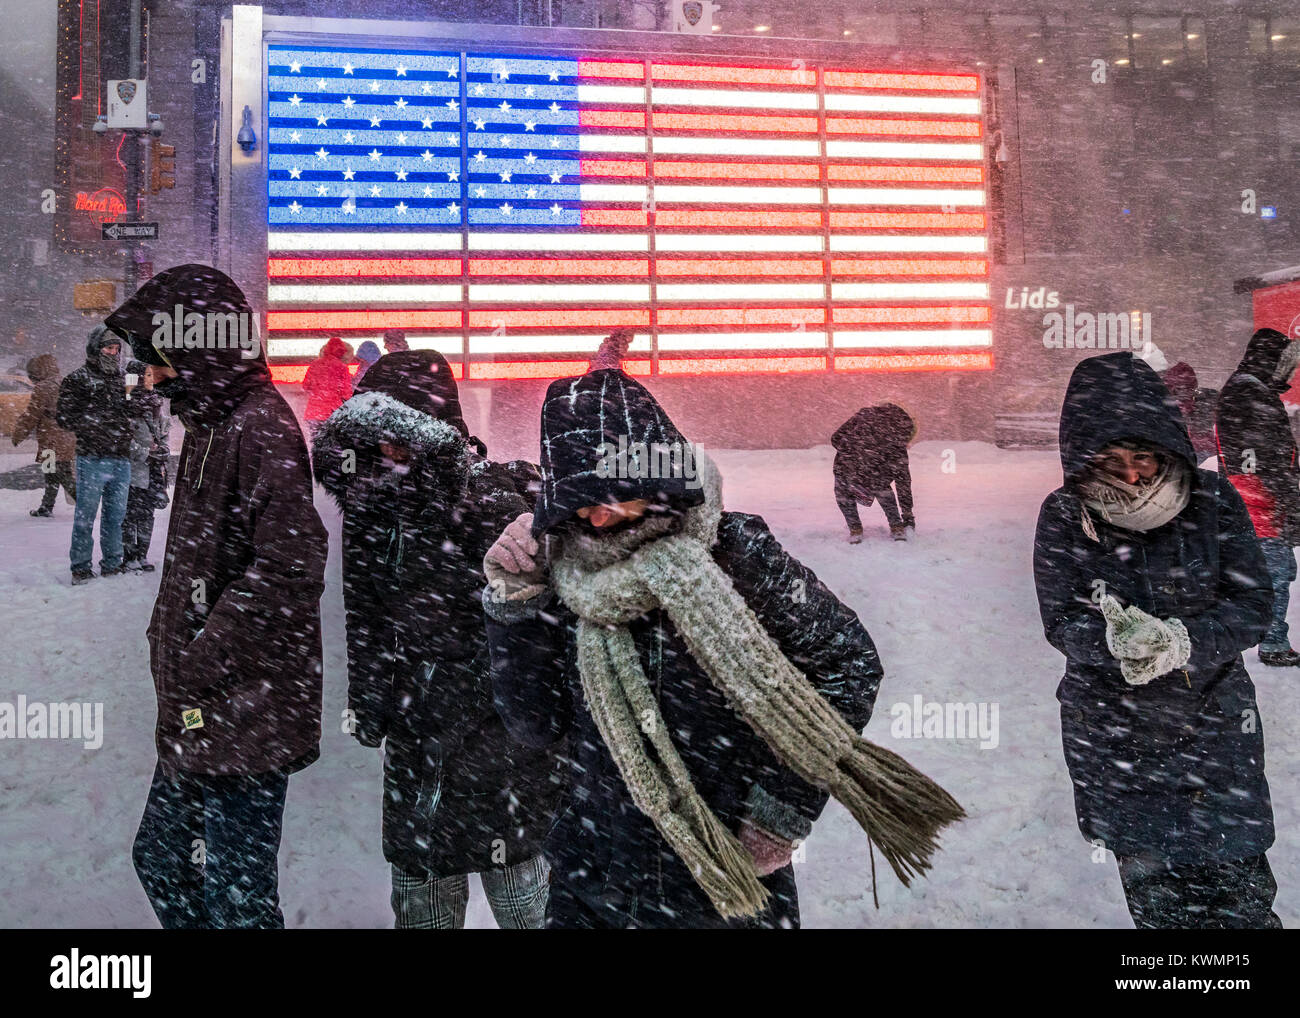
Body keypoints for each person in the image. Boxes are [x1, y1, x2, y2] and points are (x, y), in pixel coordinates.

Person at [482, 367, 962, 929]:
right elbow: (533, 725)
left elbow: (848, 664)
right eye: (581, 502)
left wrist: (781, 811)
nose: (596, 518)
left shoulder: (737, 555)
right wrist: (513, 605)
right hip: (594, 876)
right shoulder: (562, 579)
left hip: (726, 881)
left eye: (612, 496)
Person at [104, 264, 327, 929]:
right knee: (166, 861)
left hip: (247, 710)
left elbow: (292, 566)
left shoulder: (259, 426)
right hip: (204, 711)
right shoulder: (209, 422)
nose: (150, 377)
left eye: (159, 361)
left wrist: (205, 655)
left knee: (239, 900)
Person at [313, 349, 563, 929]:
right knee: (422, 897)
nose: (387, 454)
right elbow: (366, 612)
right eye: (373, 441)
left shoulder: (493, 504)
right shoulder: (370, 503)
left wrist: (490, 700)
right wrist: (372, 705)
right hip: (414, 732)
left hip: (498, 740)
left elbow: (539, 631)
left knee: (521, 893)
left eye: (400, 440)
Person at [1034, 351, 1280, 929]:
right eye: (1111, 459)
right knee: (1162, 910)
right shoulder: (1066, 515)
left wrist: (1183, 641)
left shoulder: (1214, 500)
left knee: (1241, 898)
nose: (1132, 475)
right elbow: (1062, 619)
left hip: (1216, 729)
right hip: (1116, 739)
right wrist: (1114, 642)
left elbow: (1252, 604)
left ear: (1167, 446)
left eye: (1142, 455)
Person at [1215, 327, 1300, 666]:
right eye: (1284, 364)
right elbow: (1263, 458)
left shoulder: (1249, 390)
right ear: (1270, 360)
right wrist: (1289, 497)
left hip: (1256, 499)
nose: (1289, 372)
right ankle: (1271, 644)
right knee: (1275, 573)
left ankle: (1264, 638)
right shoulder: (1249, 394)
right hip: (1259, 502)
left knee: (1275, 571)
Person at [55, 325, 133, 583]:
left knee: (115, 516)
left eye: (117, 349)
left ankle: (112, 562)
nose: (114, 353)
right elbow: (64, 418)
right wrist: (96, 424)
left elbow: (134, 410)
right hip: (92, 458)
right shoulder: (77, 379)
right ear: (96, 349)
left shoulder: (124, 378)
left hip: (121, 458)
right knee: (85, 516)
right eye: (109, 347)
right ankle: (80, 566)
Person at [831, 402, 917, 542]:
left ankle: (855, 530)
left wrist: (852, 450)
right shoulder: (898, 438)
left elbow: (835, 438)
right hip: (874, 471)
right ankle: (897, 527)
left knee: (843, 488)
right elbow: (903, 482)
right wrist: (907, 514)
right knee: (881, 483)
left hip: (846, 466)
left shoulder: (864, 415)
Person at [10, 353, 76, 517]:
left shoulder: (44, 387)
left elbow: (32, 414)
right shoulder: (64, 381)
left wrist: (18, 434)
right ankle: (47, 507)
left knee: (59, 473)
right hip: (66, 436)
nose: (32, 380)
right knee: (53, 472)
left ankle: (83, 503)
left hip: (52, 438)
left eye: (32, 376)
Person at [122, 361, 170, 572]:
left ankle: (143, 554)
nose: (151, 380)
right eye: (147, 375)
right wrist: (144, 453)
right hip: (134, 471)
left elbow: (164, 431)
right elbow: (122, 439)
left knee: (147, 513)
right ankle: (129, 555)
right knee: (130, 514)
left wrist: (163, 450)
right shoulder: (127, 405)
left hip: (153, 471)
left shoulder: (156, 402)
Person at [302, 336, 353, 441]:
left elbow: (306, 386)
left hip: (314, 412)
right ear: (342, 351)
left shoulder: (314, 365)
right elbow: (346, 393)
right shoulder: (342, 367)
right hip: (333, 412)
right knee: (332, 445)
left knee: (316, 442)